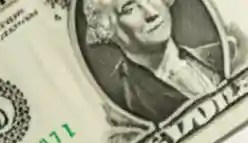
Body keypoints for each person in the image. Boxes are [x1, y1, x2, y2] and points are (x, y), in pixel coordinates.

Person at [84, 0, 225, 122]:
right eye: (130, 8)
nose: (152, 13)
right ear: (106, 29)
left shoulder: (223, 54)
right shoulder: (133, 104)